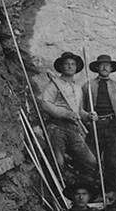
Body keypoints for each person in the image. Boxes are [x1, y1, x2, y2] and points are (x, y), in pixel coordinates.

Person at [80, 55, 116, 199]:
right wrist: (87, 117)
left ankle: (110, 193)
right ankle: (92, 193)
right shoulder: (88, 86)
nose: (105, 68)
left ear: (111, 69)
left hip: (113, 125)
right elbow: (80, 107)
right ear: (97, 68)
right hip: (94, 125)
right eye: (102, 65)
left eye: (108, 65)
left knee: (112, 161)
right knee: (91, 160)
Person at [38, 51, 98, 188]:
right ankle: (58, 193)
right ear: (61, 67)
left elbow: (79, 111)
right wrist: (63, 113)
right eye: (67, 64)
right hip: (57, 127)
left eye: (73, 64)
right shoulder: (54, 84)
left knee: (90, 161)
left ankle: (80, 191)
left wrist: (88, 116)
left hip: (74, 128)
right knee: (58, 161)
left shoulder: (78, 89)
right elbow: (45, 104)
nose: (70, 67)